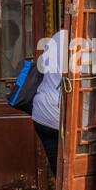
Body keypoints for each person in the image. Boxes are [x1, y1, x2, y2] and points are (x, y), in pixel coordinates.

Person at [31, 29, 63, 177]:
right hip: (61, 114)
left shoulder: (58, 36)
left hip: (41, 113)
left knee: (59, 170)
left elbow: (42, 65)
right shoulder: (86, 43)